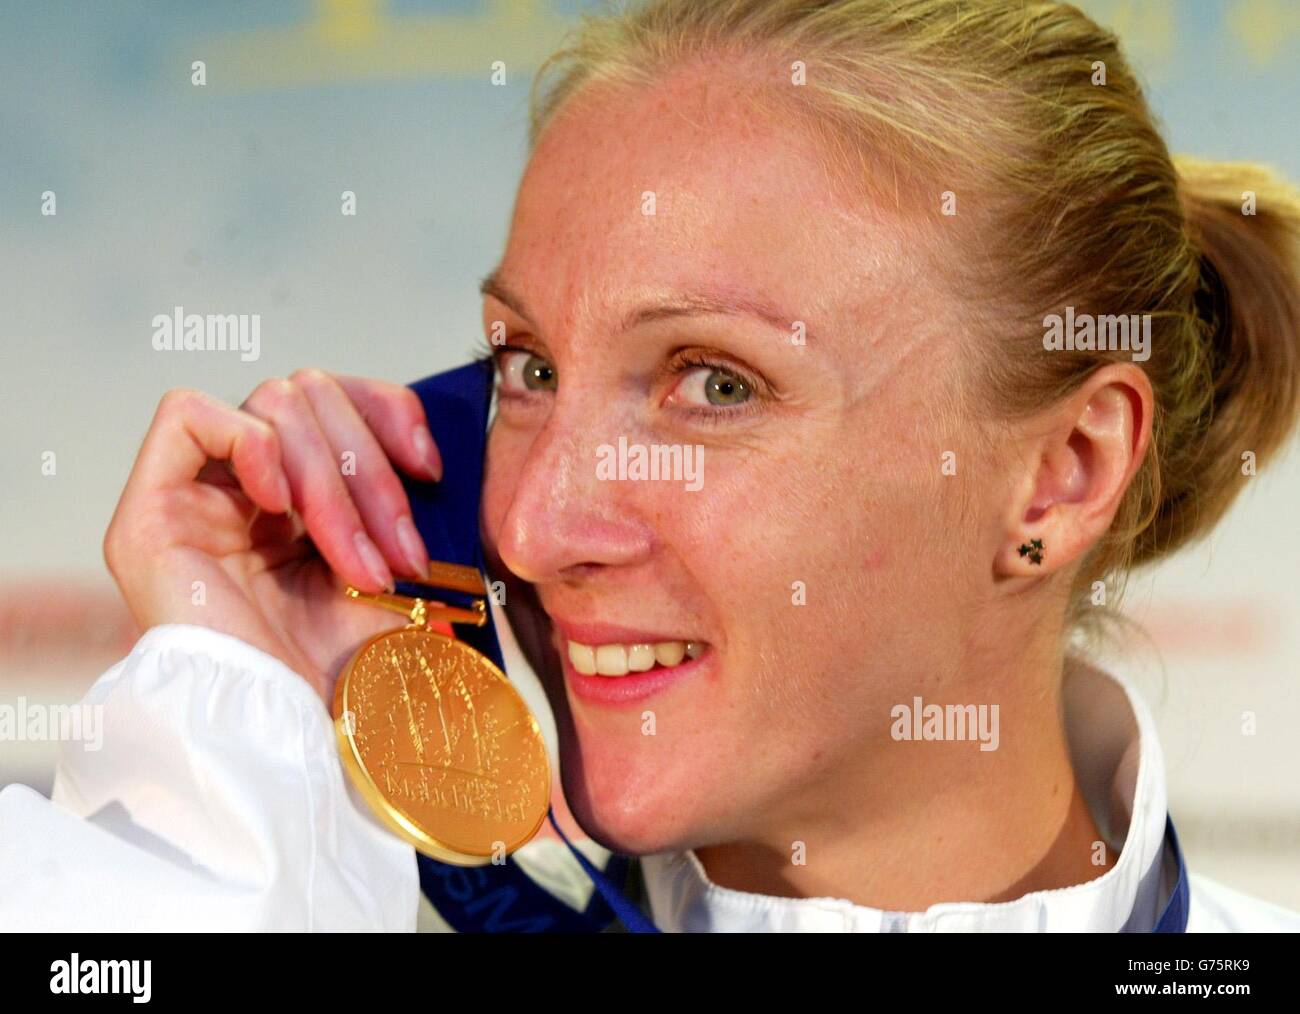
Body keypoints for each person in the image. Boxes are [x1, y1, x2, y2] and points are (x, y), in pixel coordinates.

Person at [3, 0, 1299, 932]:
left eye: (715, 384)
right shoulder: (293, 888)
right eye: (527, 367)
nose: (530, 526)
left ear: (1063, 473)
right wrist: (247, 763)